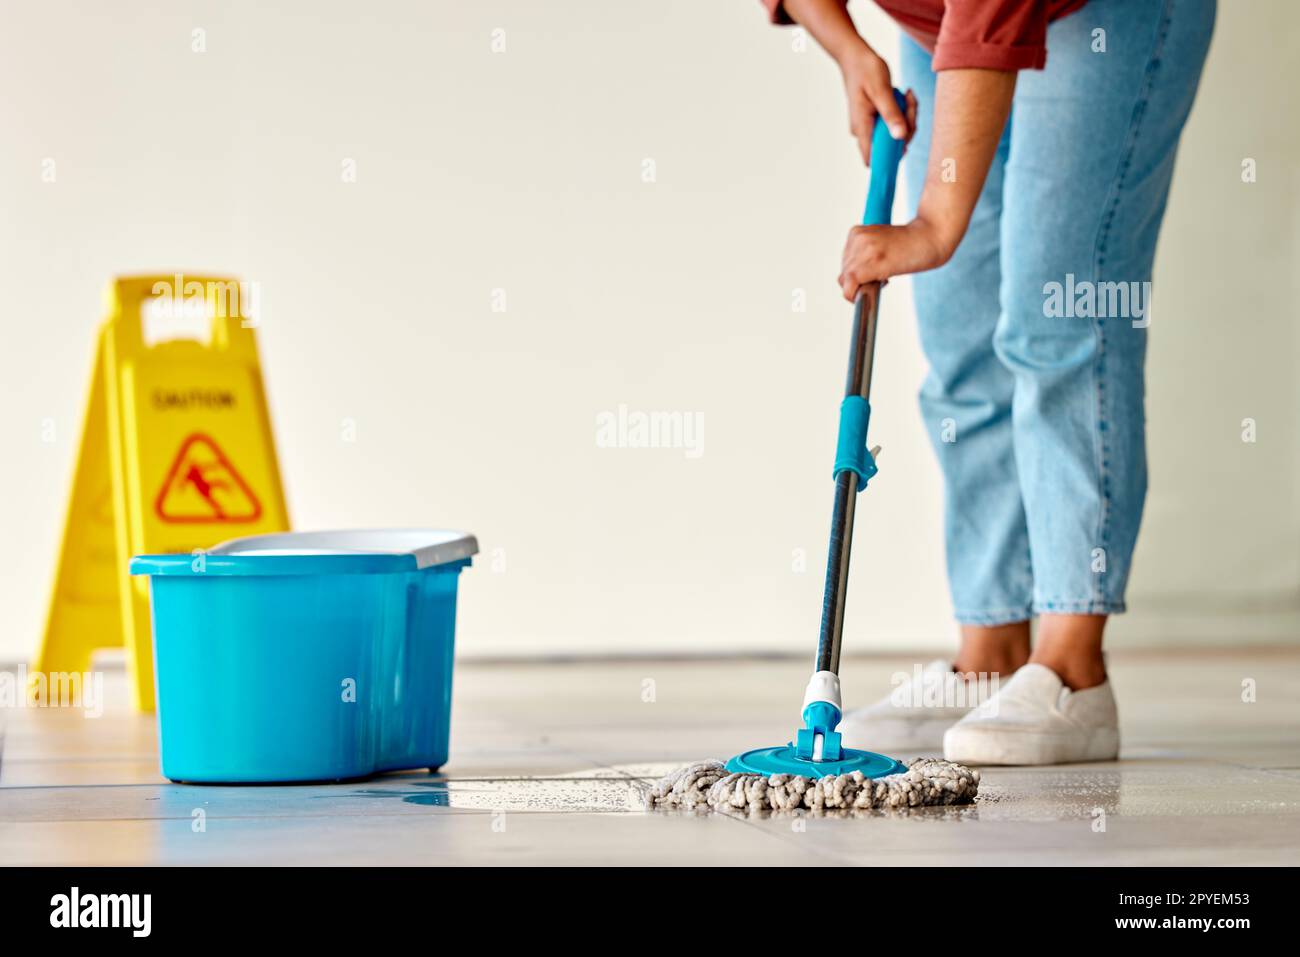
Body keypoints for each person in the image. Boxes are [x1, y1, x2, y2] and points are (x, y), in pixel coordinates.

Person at [763, 0, 1216, 764]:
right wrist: (848, 52)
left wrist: (937, 223)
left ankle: (1073, 671)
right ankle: (990, 654)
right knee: (959, 330)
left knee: (1061, 313)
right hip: (944, 28)